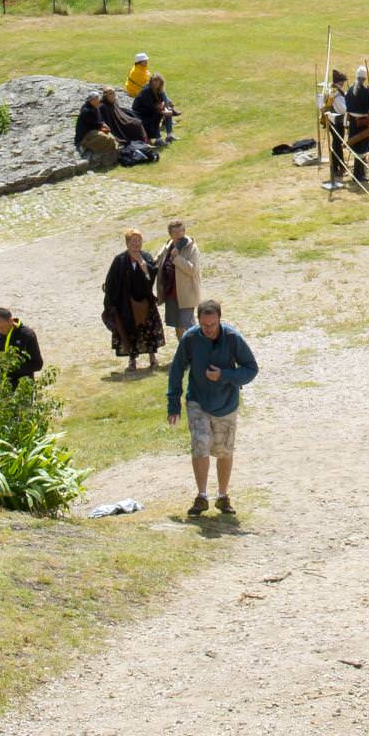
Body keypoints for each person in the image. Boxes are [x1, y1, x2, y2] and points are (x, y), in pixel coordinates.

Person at [165, 298, 259, 517]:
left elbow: (251, 369)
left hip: (226, 403)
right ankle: (202, 496)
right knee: (200, 445)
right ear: (198, 321)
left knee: (224, 450)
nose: (208, 329)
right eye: (204, 325)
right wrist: (173, 403)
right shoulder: (190, 338)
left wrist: (224, 376)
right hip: (197, 400)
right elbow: (177, 370)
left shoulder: (233, 338)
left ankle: (223, 496)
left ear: (219, 320)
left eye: (212, 325)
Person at [102, 228, 166, 369]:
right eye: (133, 241)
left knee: (148, 329)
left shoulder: (146, 257)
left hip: (145, 301)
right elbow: (111, 282)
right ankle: (132, 360)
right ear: (127, 243)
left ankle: (152, 358)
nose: (136, 244)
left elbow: (151, 277)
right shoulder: (119, 260)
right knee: (128, 331)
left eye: (138, 241)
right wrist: (110, 303)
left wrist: (143, 266)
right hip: (125, 304)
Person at [155, 218, 203, 336]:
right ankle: (183, 351)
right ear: (170, 234)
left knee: (187, 326)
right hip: (171, 293)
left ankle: (196, 350)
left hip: (187, 294)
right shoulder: (169, 244)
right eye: (175, 232)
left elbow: (192, 270)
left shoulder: (191, 247)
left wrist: (177, 258)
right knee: (177, 326)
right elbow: (157, 259)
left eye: (181, 231)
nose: (179, 234)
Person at [0, 306, 44, 385]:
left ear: (10, 321)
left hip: (23, 389)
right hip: (3, 387)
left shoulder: (27, 335)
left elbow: (38, 364)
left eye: (1, 327)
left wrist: (13, 368)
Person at [345, 66, 369, 187]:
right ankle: (358, 175)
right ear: (364, 78)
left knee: (357, 149)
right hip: (362, 123)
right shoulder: (365, 91)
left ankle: (358, 174)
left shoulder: (349, 89)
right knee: (361, 149)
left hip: (354, 123)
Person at [321, 69, 352, 188]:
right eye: (343, 81)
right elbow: (343, 109)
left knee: (336, 144)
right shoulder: (336, 94)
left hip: (332, 121)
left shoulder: (332, 90)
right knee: (337, 144)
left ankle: (338, 166)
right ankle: (338, 167)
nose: (344, 83)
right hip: (336, 121)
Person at [134, 73, 178, 144]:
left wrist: (166, 108)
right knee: (157, 115)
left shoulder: (159, 89)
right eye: (155, 81)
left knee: (169, 112)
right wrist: (163, 110)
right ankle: (158, 139)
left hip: (151, 109)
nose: (156, 83)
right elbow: (150, 106)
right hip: (141, 112)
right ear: (151, 81)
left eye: (158, 81)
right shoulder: (146, 91)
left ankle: (169, 136)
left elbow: (164, 102)